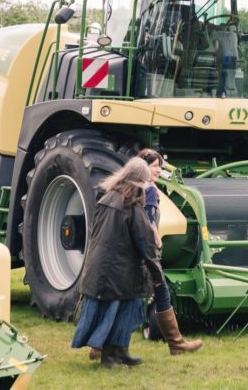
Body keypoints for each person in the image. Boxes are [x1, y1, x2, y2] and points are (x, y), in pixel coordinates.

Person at [71, 157, 163, 368]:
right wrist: (156, 272)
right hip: (117, 272)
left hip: (102, 267)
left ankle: (121, 352)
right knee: (118, 312)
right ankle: (110, 357)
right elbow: (145, 242)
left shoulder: (107, 198)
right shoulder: (130, 207)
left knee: (121, 310)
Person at [136, 148, 203, 355]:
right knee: (155, 293)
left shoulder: (135, 187)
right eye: (154, 166)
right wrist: (156, 239)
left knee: (148, 294)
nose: (158, 170)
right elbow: (147, 219)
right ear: (143, 166)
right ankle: (176, 343)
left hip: (139, 249)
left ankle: (176, 343)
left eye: (159, 166)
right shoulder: (148, 189)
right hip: (147, 250)